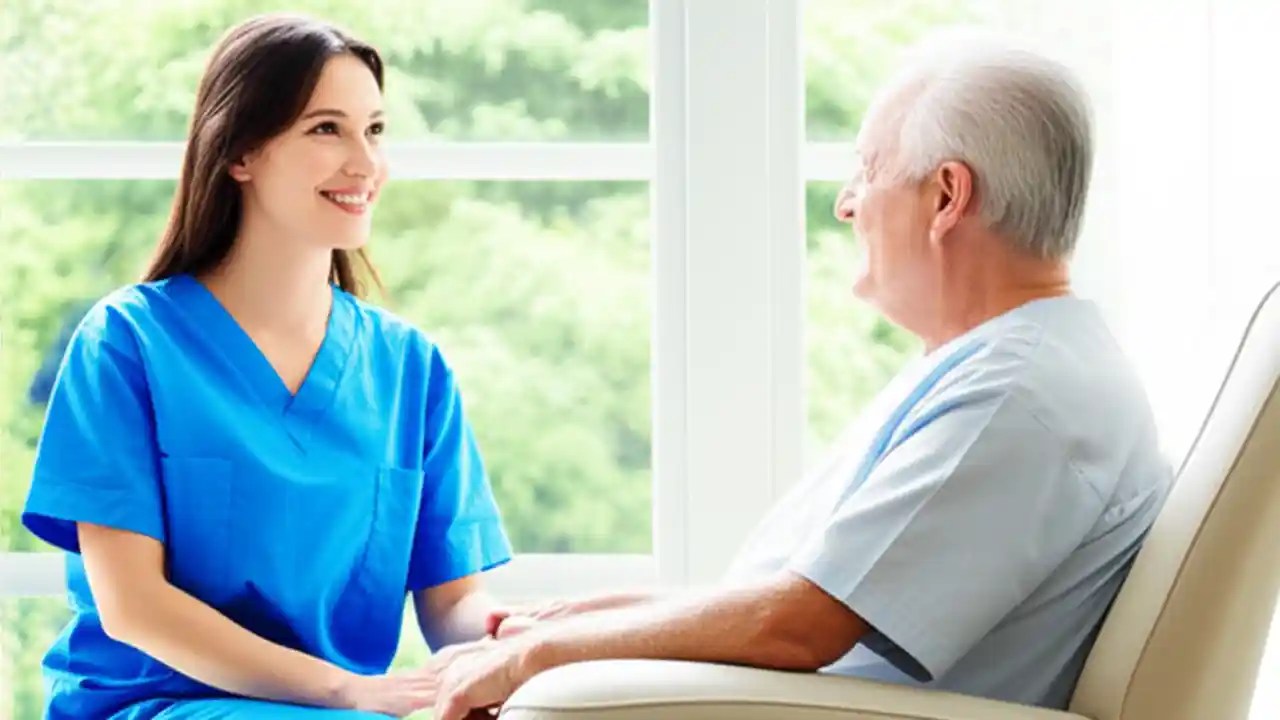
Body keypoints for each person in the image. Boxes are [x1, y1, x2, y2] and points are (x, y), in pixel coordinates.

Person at [417, 32, 1174, 720]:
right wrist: (585, 621)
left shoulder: (1017, 396)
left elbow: (797, 627)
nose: (848, 204)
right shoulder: (1011, 365)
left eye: (869, 171)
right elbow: (808, 600)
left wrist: (533, 658)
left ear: (947, 196)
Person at [21, 14, 511, 719]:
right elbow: (134, 607)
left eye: (374, 130)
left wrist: (507, 639)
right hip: (161, 704)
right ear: (241, 152)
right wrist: (349, 690)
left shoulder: (410, 369)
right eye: (326, 130)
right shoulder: (127, 344)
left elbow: (452, 601)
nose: (365, 163)